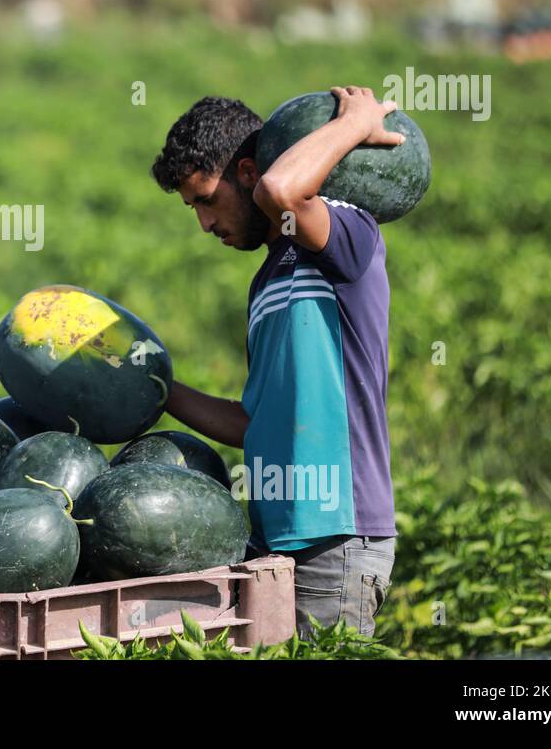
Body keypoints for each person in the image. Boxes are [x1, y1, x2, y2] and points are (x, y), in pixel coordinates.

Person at [149, 86, 402, 639]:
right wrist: (159, 390)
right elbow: (252, 423)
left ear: (246, 172)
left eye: (206, 200)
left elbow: (282, 188)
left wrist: (356, 122)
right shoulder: (267, 281)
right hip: (274, 545)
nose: (204, 224)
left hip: (336, 538)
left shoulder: (346, 237)